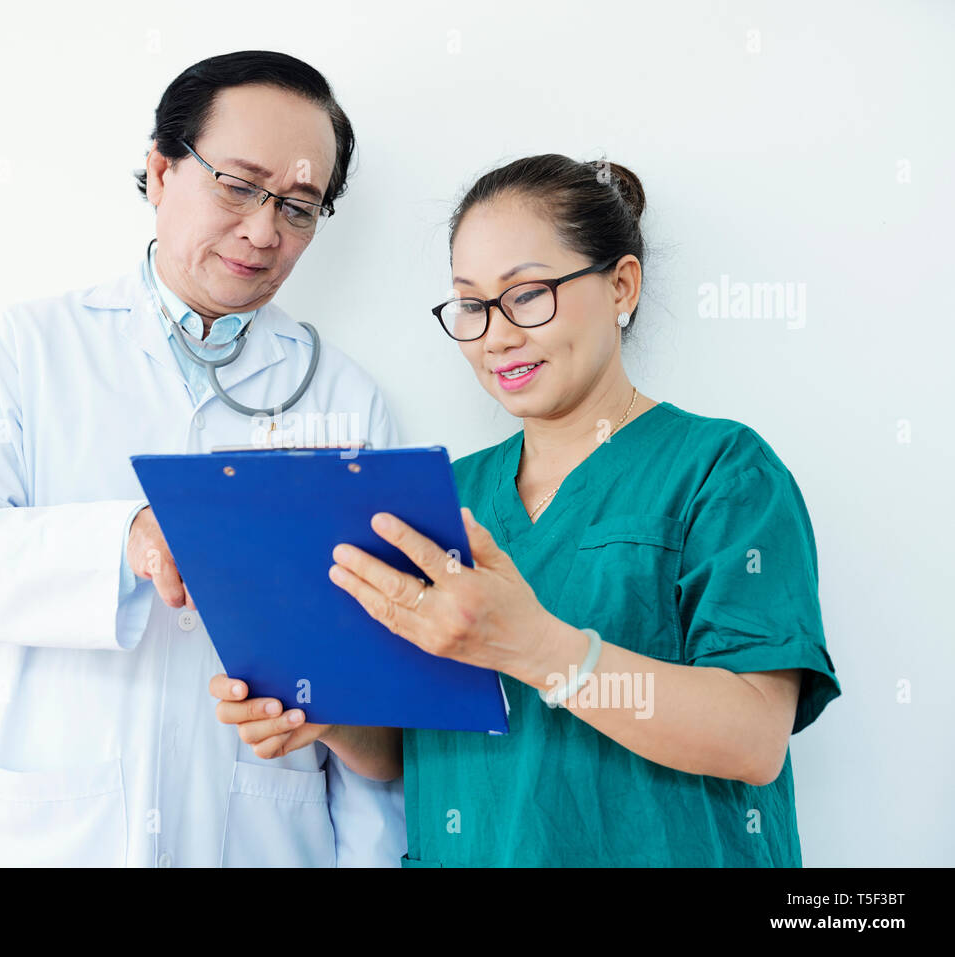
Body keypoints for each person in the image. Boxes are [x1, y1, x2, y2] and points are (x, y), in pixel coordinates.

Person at [215, 153, 841, 866]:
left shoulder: (720, 472)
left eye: (528, 295)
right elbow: (417, 746)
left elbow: (755, 736)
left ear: (621, 286)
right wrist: (330, 718)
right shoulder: (443, 494)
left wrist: (542, 649)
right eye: (472, 306)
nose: (496, 335)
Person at [0, 50, 406, 867]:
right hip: (63, 831)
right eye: (237, 185)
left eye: (299, 207)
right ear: (161, 171)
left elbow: (373, 681)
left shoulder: (347, 398)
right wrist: (124, 536)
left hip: (267, 833)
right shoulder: (30, 350)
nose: (264, 230)